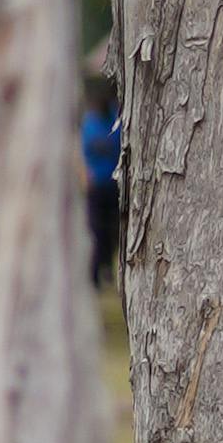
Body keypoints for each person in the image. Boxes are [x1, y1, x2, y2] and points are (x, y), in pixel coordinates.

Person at [81, 73, 125, 296]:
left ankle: (108, 270)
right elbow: (83, 153)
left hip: (114, 184)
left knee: (114, 232)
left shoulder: (114, 119)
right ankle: (96, 277)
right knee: (98, 232)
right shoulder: (90, 124)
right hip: (97, 186)